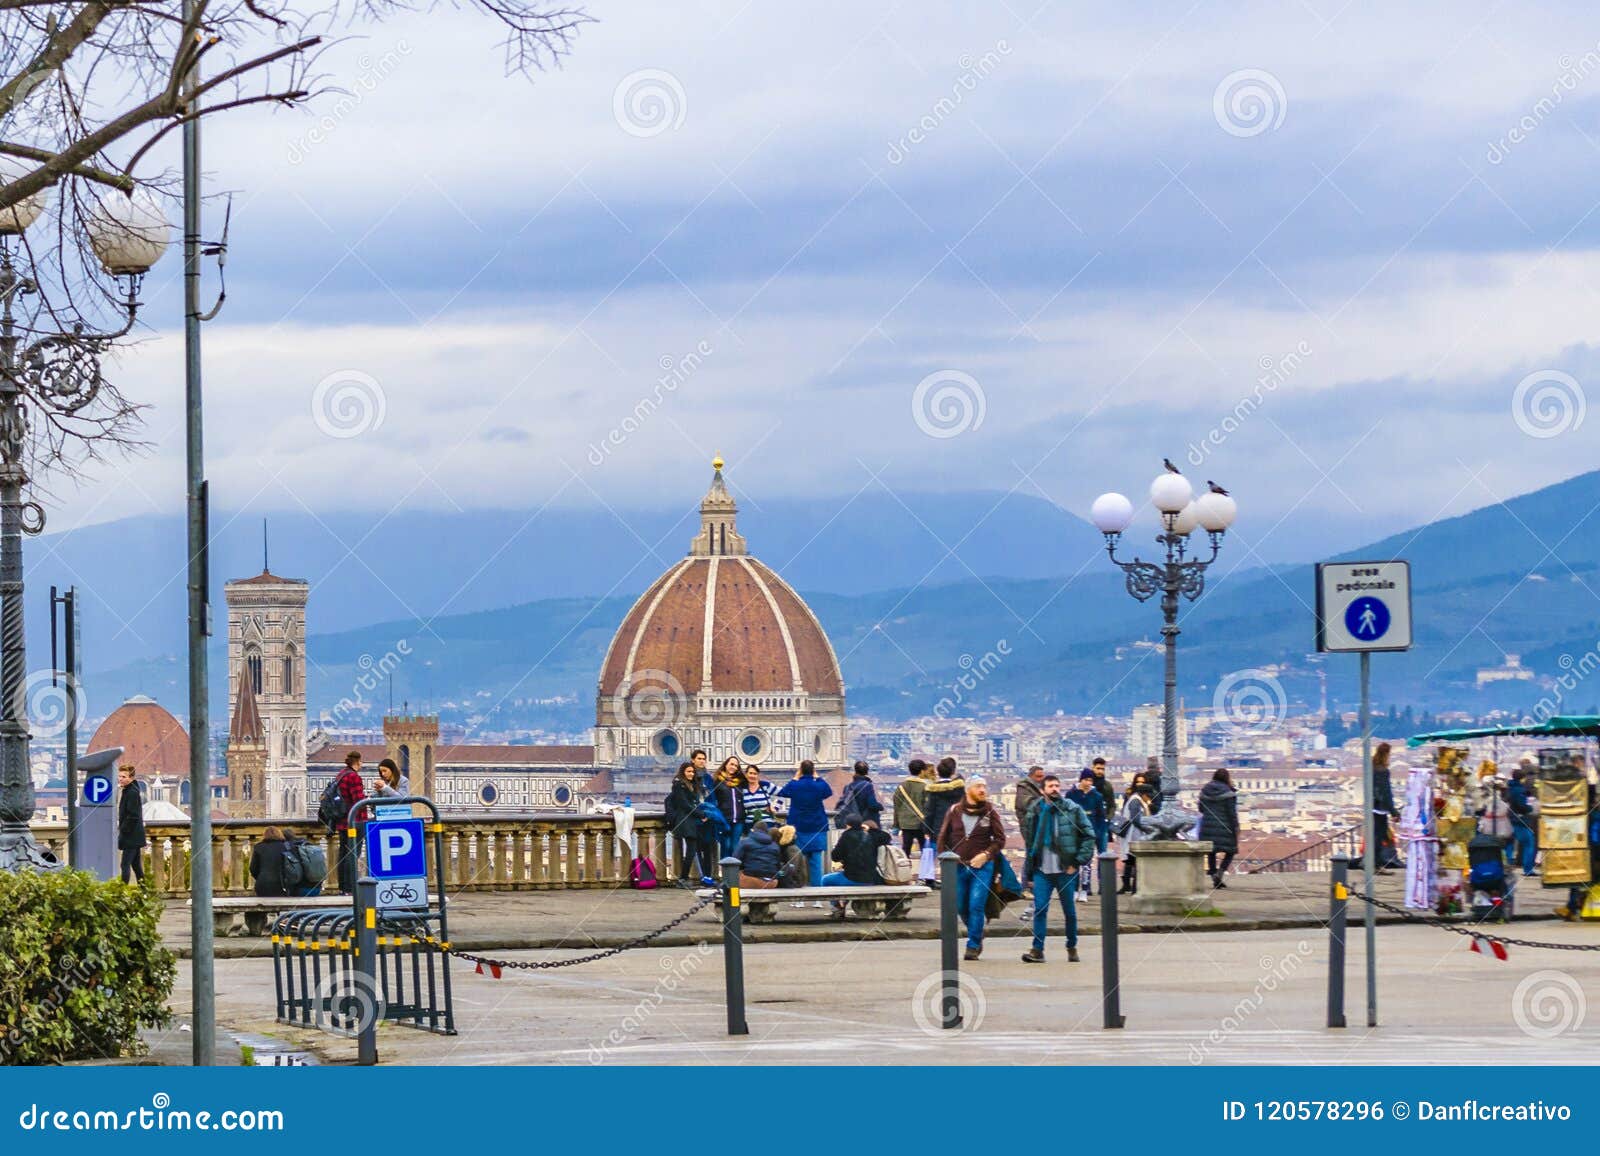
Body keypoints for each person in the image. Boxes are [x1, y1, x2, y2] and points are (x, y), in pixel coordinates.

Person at [1020, 774, 1095, 963]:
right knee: (1040, 909)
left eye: (1057, 786)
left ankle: (1071, 945)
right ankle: (1037, 950)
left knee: (1069, 911)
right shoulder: (1035, 811)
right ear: (1043, 790)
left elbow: (1088, 835)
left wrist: (1077, 862)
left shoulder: (1071, 809)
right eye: (1050, 786)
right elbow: (1030, 843)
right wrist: (1029, 872)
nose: (1054, 789)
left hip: (1065, 870)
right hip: (1042, 870)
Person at [936, 776, 1006, 960]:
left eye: (984, 786)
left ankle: (973, 945)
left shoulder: (990, 812)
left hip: (982, 866)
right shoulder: (954, 811)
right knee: (960, 906)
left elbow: (1000, 839)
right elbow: (943, 838)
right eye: (978, 787)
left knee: (976, 904)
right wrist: (944, 861)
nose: (983, 790)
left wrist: (986, 855)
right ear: (968, 790)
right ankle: (977, 930)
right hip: (958, 866)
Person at [776, 760, 833, 887]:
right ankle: (817, 895)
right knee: (816, 862)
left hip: (798, 826)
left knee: (797, 861)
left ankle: (799, 893)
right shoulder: (818, 785)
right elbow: (828, 792)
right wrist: (817, 777)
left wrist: (795, 778)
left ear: (800, 770)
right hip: (817, 826)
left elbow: (783, 792)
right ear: (813, 770)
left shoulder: (795, 785)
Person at [823, 815, 892, 916]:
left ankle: (837, 908)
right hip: (870, 879)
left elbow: (835, 857)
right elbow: (887, 837)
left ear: (847, 825)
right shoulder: (870, 835)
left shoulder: (846, 836)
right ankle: (842, 905)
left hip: (852, 878)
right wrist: (871, 830)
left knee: (825, 880)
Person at [665, 761, 714, 886]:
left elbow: (693, 803)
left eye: (692, 772)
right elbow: (685, 805)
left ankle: (687, 878)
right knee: (691, 851)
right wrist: (701, 814)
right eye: (688, 771)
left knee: (693, 851)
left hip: (691, 821)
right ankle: (683, 878)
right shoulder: (679, 785)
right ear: (683, 772)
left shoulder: (691, 785)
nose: (691, 774)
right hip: (685, 821)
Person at [921, 757, 966, 883]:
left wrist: (926, 829)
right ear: (952, 772)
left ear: (938, 773)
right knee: (956, 853)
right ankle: (953, 880)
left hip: (937, 827)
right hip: (957, 827)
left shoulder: (934, 790)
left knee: (935, 854)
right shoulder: (959, 789)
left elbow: (929, 811)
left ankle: (930, 880)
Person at [1064, 769, 1108, 895]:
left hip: (1090, 832)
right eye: (1086, 780)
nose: (1088, 783)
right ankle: (1073, 889)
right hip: (1075, 833)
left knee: (1087, 862)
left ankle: (1085, 887)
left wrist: (1098, 832)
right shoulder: (1071, 794)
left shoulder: (1097, 796)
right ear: (1081, 780)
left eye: (1090, 780)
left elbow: (1100, 816)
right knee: (1074, 860)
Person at [1197, 768, 1240, 888]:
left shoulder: (1205, 791)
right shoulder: (1229, 793)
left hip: (1207, 825)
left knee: (1211, 852)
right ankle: (1220, 873)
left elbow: (1201, 809)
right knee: (1230, 851)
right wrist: (1236, 827)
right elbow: (1232, 813)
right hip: (1225, 825)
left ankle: (1213, 874)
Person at [334, 751, 367, 894]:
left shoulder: (341, 774)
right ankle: (351, 887)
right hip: (355, 822)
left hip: (341, 821)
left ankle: (343, 887)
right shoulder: (353, 777)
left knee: (343, 854)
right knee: (353, 854)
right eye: (361, 762)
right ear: (357, 761)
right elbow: (358, 801)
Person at [1116, 774, 1152, 895]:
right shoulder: (1136, 801)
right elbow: (1136, 819)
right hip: (1133, 835)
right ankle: (1135, 888)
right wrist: (1147, 829)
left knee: (1131, 861)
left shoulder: (1135, 799)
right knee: (1136, 861)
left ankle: (1127, 886)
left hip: (1132, 835)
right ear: (1145, 794)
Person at [892, 759, 932, 856]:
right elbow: (928, 807)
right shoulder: (925, 786)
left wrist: (896, 825)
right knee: (924, 848)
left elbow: (896, 806)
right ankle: (924, 868)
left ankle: (905, 868)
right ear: (922, 771)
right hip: (921, 822)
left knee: (906, 848)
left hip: (905, 823)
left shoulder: (901, 786)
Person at [1507, 762, 1538, 876]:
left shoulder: (1511, 787)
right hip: (1520, 820)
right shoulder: (1519, 790)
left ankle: (1508, 864)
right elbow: (1522, 805)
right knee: (1529, 843)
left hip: (1512, 819)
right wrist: (1530, 808)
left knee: (1509, 843)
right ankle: (1528, 869)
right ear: (1522, 778)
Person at [116, 764, 145, 884]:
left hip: (131, 836)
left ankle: (122, 892)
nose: (120, 779)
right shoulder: (130, 790)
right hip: (134, 835)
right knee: (136, 866)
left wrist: (123, 829)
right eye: (119, 776)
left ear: (131, 778)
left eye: (124, 776)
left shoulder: (131, 792)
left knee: (125, 864)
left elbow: (133, 815)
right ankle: (145, 892)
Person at [734, 820, 782, 890]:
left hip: (750, 881)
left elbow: (735, 861)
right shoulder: (775, 846)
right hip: (772, 883)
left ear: (753, 830)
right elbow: (778, 866)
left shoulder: (744, 842)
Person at [249, 826, 296, 897]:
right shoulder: (286, 846)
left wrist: (260, 877)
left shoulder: (258, 847)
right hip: (282, 884)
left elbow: (253, 868)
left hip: (262, 884)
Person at [713, 756, 746, 857]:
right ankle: (725, 872)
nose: (734, 767)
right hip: (724, 820)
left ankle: (734, 872)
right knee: (725, 846)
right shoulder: (717, 781)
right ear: (725, 765)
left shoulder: (741, 782)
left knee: (735, 846)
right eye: (731, 764)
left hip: (738, 820)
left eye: (736, 765)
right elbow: (713, 799)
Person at [835, 761, 883, 827]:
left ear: (855, 770)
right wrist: (880, 806)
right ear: (867, 771)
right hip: (865, 821)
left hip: (853, 821)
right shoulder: (867, 785)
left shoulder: (848, 786)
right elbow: (872, 804)